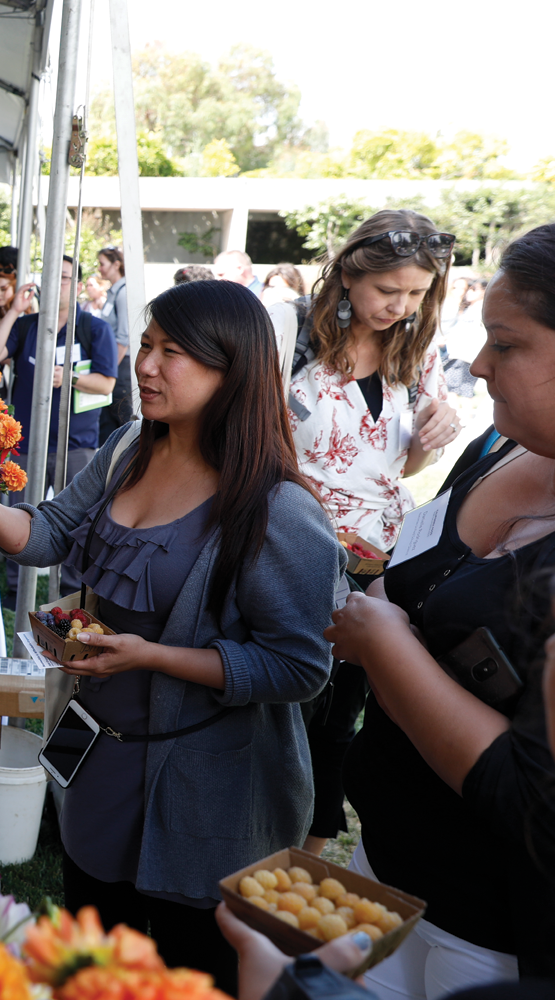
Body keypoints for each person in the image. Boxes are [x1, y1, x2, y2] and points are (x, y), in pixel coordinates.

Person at [0, 279, 341, 991]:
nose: (146, 365)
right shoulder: (131, 446)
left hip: (202, 789)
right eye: (148, 344)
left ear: (235, 371)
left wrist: (151, 657)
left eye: (174, 353)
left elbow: (297, 668)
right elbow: (45, 534)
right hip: (93, 752)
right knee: (94, 958)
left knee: (195, 971)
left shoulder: (277, 509)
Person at [326, 223, 555, 993]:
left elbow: (535, 794)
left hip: (492, 927)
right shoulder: (500, 445)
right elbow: (422, 566)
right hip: (388, 856)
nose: (479, 363)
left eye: (508, 345)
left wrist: (386, 642)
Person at [288, 210, 459, 862]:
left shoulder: (418, 357)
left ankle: (306, 856)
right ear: (352, 273)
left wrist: (424, 444)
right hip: (299, 546)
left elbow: (400, 466)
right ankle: (259, 836)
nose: (401, 306)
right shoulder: (295, 336)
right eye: (390, 290)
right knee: (291, 705)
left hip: (382, 556)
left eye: (416, 294)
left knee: (340, 720)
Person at [0, 255, 118, 494]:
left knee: (73, 525)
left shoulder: (95, 328)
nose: (55, 284)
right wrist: (14, 311)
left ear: (78, 287)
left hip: (75, 446)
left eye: (63, 278)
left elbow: (106, 384)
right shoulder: (26, 325)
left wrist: (69, 377)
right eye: (49, 278)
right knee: (18, 520)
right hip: (24, 445)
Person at [96, 245, 134, 444]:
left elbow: (124, 337)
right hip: (113, 365)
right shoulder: (112, 292)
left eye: (102, 264)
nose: (99, 269)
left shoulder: (123, 292)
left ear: (116, 264)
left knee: (122, 418)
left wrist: (110, 370)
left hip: (121, 367)